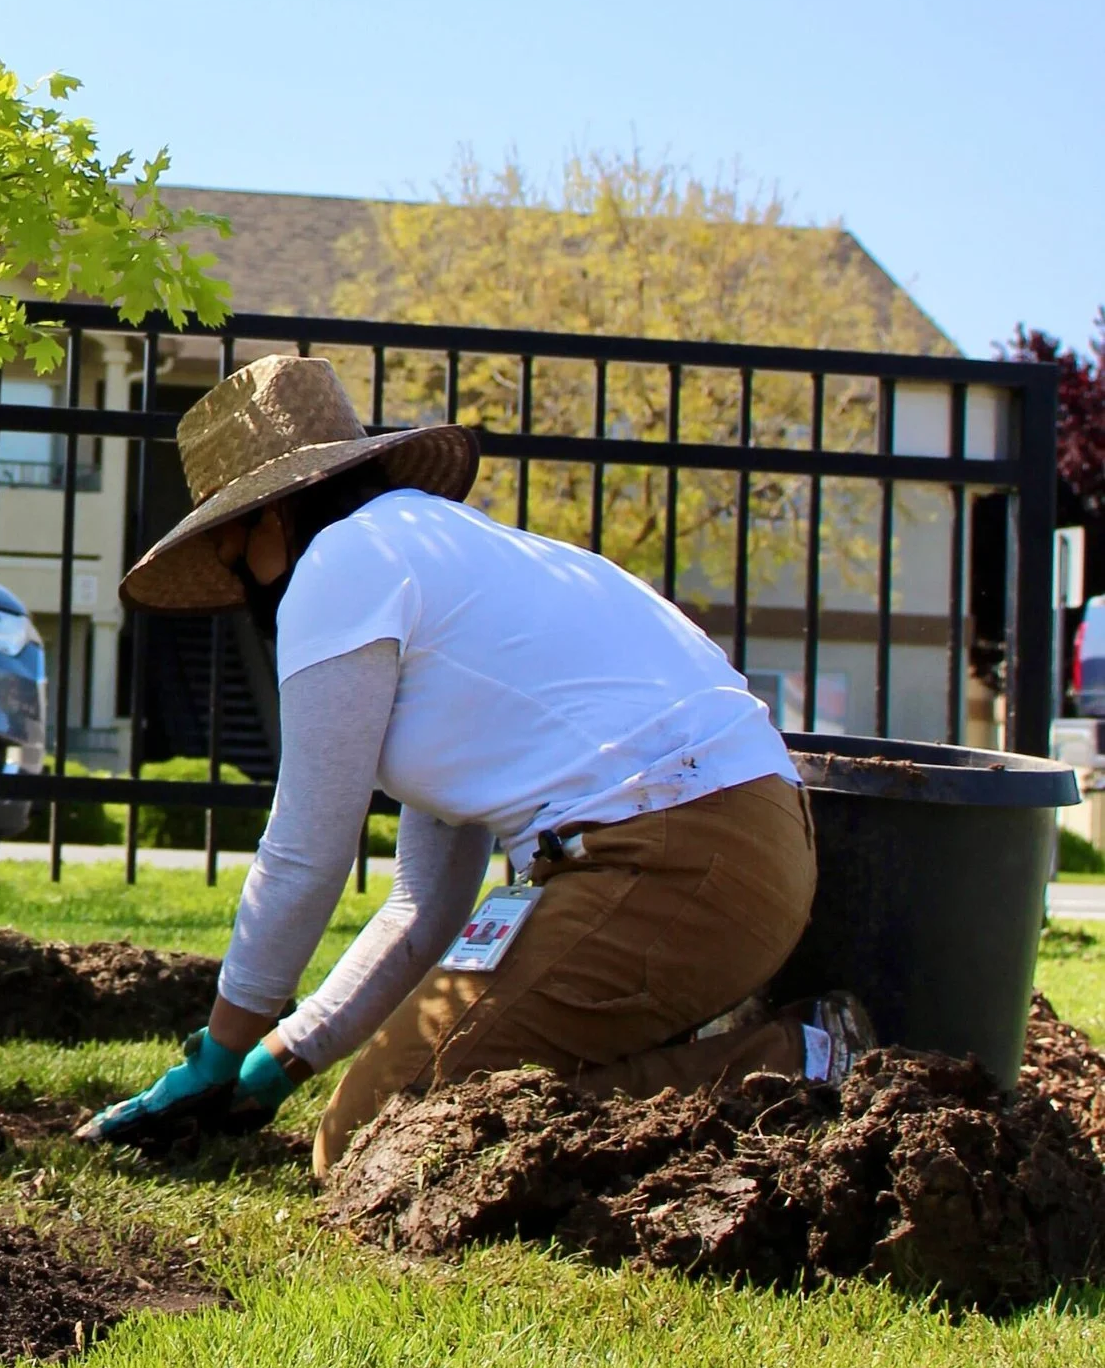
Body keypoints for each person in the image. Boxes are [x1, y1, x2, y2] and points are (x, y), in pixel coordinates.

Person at [81, 353, 849, 1169]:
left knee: (387, 1138)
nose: (242, 588)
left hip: (667, 863)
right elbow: (426, 905)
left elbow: (306, 852)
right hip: (741, 849)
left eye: (234, 554)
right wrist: (283, 1057)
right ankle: (749, 1064)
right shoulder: (441, 557)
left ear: (273, 517)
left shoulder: (340, 565)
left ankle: (788, 1066)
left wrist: (218, 1051)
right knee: (392, 1121)